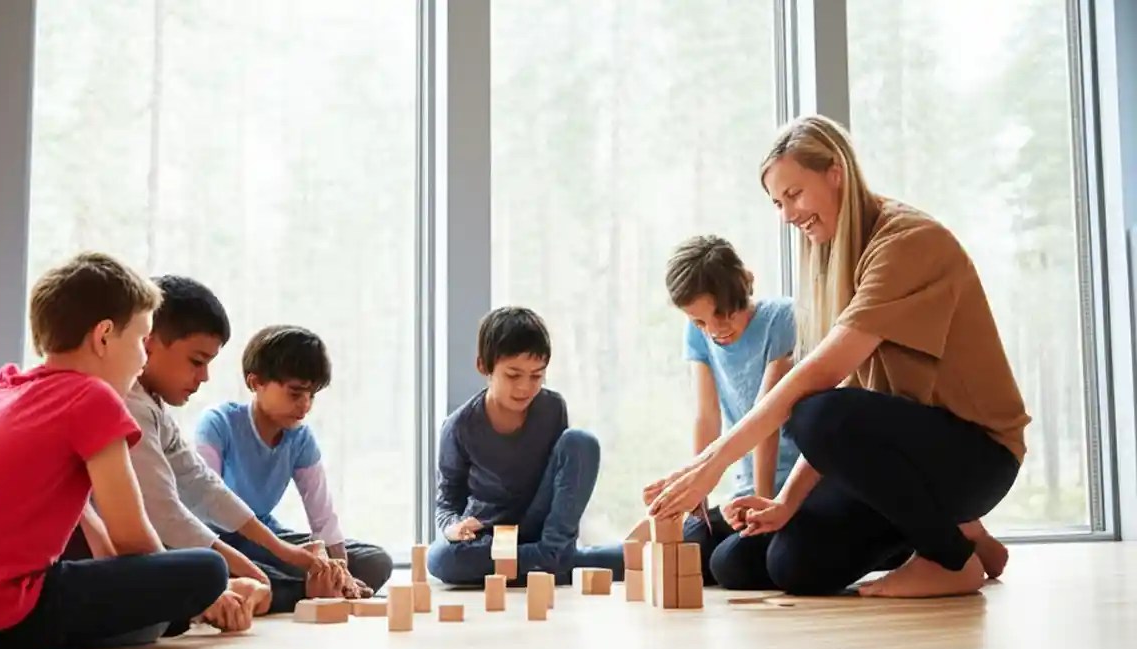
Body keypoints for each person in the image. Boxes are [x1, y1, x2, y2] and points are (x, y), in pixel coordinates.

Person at [647, 115, 1028, 598]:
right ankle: (958, 535)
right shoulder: (836, 254)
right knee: (754, 564)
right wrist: (784, 503)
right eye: (778, 202)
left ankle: (949, 560)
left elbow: (823, 383)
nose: (787, 214)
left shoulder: (906, 242)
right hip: (902, 461)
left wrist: (713, 462)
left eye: (794, 194)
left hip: (977, 457)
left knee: (815, 412)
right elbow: (854, 396)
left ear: (835, 172)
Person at [0, 253, 233, 649]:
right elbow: (135, 540)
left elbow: (84, 516)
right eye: (141, 340)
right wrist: (196, 595)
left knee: (127, 583)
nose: (145, 357)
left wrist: (133, 578)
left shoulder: (2, 387)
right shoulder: (91, 398)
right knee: (208, 570)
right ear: (104, 336)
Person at [127, 276, 354, 617]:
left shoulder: (153, 406)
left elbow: (204, 485)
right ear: (149, 344)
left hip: (227, 539)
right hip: (194, 539)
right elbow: (171, 513)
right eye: (196, 361)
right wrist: (253, 569)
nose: (204, 377)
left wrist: (291, 553)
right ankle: (281, 591)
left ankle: (277, 587)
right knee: (208, 569)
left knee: (366, 559)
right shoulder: (141, 407)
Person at [427, 307, 623, 585]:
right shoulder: (459, 426)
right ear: (484, 366)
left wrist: (554, 537)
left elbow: (562, 481)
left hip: (540, 527)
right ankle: (555, 563)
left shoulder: (553, 407)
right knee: (440, 559)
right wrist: (453, 529)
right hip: (491, 536)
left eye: (536, 376)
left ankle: (548, 557)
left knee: (581, 442)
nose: (525, 388)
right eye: (513, 375)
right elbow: (447, 502)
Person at [196, 325, 392, 593]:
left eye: (312, 395)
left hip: (266, 538)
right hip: (217, 540)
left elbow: (322, 516)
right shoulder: (219, 424)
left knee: (374, 562)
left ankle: (298, 589)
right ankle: (294, 590)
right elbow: (207, 502)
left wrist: (340, 571)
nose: (305, 405)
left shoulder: (300, 438)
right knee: (212, 569)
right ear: (256, 383)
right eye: (295, 393)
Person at [660, 235, 799, 584]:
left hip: (790, 487)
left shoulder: (781, 318)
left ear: (746, 283)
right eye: (700, 322)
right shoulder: (698, 336)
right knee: (691, 550)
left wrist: (765, 502)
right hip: (742, 492)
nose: (715, 330)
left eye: (722, 314)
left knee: (730, 565)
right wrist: (698, 495)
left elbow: (767, 417)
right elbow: (707, 417)